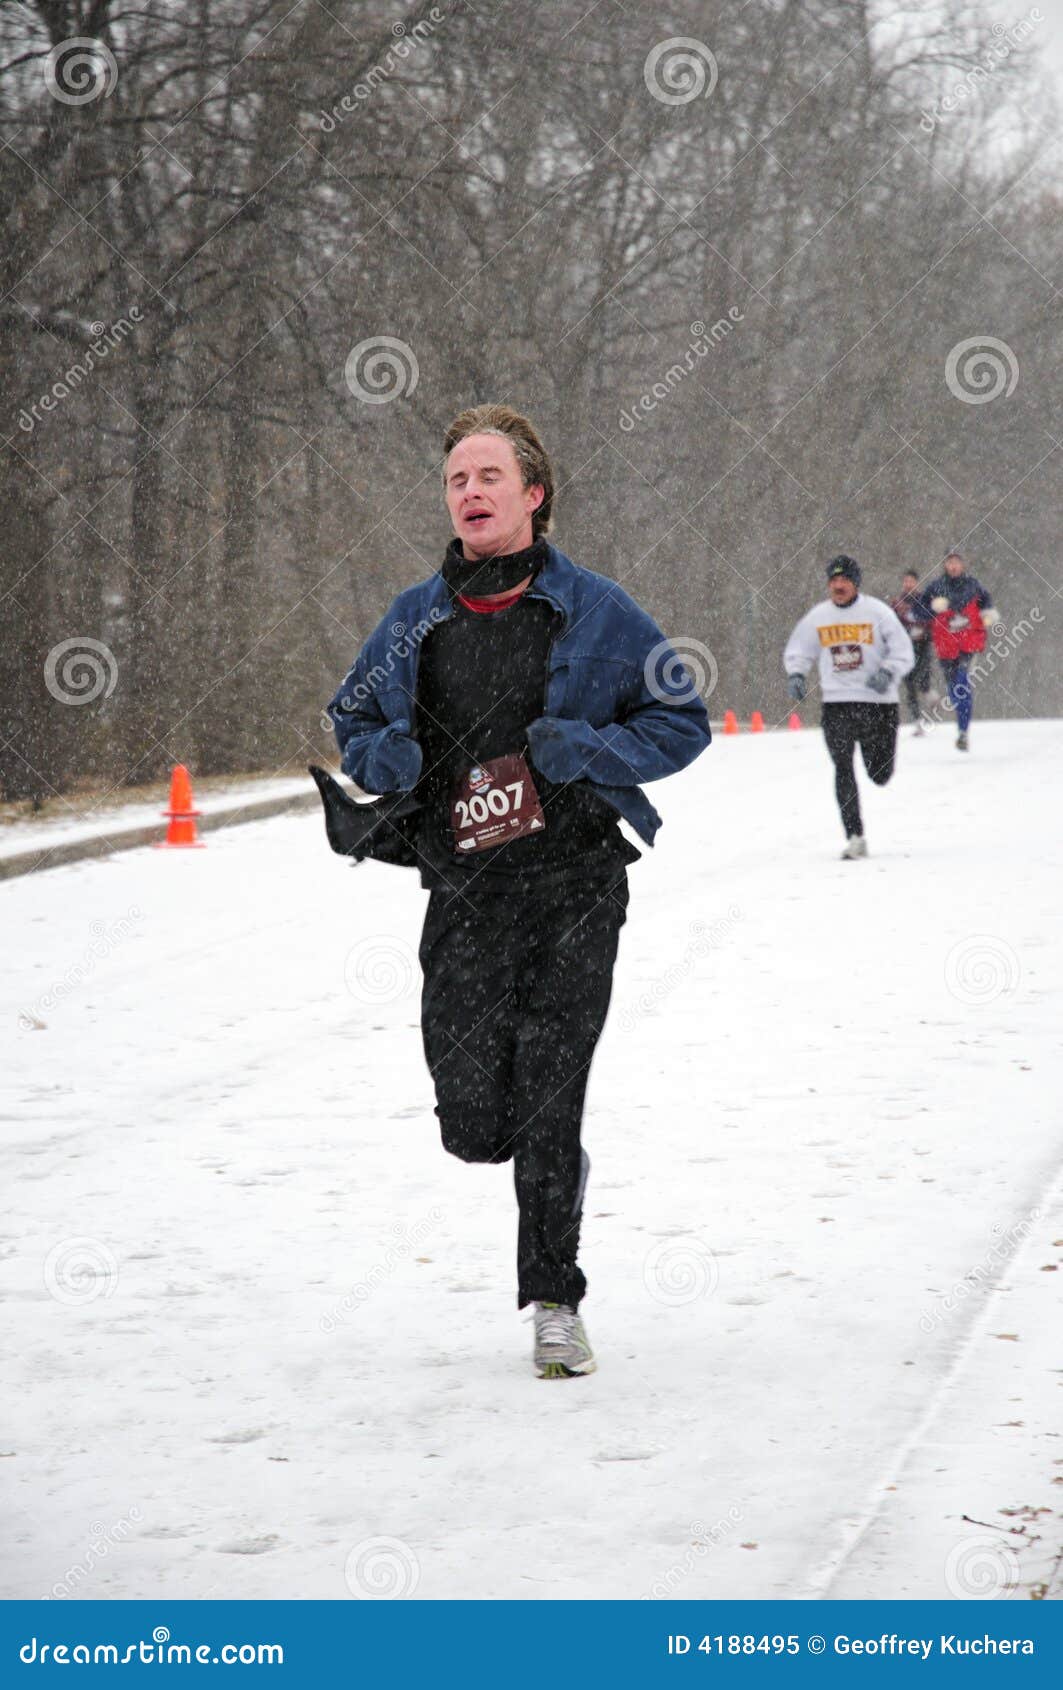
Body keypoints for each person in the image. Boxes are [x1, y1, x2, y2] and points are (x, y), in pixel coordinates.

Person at [317, 404, 711, 1379]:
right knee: (473, 1121)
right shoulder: (417, 618)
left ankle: (553, 1297)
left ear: (533, 494)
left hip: (575, 881)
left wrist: (596, 748)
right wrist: (385, 751)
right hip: (463, 885)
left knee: (548, 1096)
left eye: (488, 476)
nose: (470, 493)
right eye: (456, 480)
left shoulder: (599, 611)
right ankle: (523, 1166)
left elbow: (683, 716)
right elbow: (349, 714)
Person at [783, 555, 914, 859]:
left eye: (844, 580)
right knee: (842, 765)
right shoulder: (819, 616)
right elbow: (799, 648)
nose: (838, 586)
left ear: (856, 583)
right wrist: (797, 674)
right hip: (837, 703)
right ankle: (855, 836)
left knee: (879, 774)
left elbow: (903, 651)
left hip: (878, 704)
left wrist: (888, 671)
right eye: (833, 581)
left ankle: (878, 769)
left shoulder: (878, 612)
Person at [919, 551, 998, 751]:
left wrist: (987, 617)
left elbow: (988, 605)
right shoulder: (936, 587)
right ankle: (962, 726)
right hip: (946, 646)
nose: (953, 566)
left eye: (957, 562)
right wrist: (933, 607)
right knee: (955, 689)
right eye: (950, 563)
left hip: (968, 643)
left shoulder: (973, 585)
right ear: (945, 565)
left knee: (962, 682)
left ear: (962, 565)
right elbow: (917, 611)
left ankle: (963, 731)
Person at [891, 570, 935, 734]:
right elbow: (891, 624)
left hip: (922, 644)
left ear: (917, 583)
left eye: (912, 581)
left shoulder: (925, 600)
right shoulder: (897, 603)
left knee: (922, 673)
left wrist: (924, 632)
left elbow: (933, 621)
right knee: (909, 684)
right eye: (906, 581)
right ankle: (917, 721)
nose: (908, 584)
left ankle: (928, 691)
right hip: (904, 647)